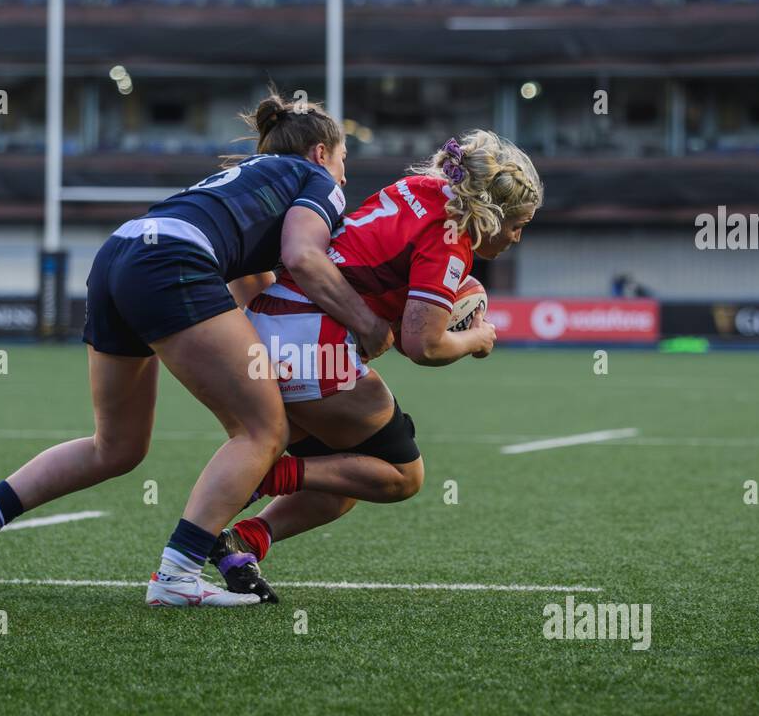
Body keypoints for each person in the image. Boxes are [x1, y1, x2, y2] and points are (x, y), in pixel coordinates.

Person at [0, 92, 394, 607]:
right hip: (172, 263)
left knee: (116, 447)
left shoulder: (256, 175)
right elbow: (301, 256)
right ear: (321, 153)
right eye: (344, 160)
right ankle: (177, 574)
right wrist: (367, 325)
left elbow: (253, 290)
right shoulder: (318, 181)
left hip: (119, 254)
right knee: (263, 431)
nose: (344, 177)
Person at [210, 131, 543, 592]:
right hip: (310, 340)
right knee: (401, 476)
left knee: (345, 483)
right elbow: (422, 346)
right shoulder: (451, 236)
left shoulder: (420, 190)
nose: (517, 237)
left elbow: (386, 288)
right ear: (490, 211)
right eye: (517, 224)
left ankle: (243, 542)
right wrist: (477, 339)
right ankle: (267, 474)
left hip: (272, 325)